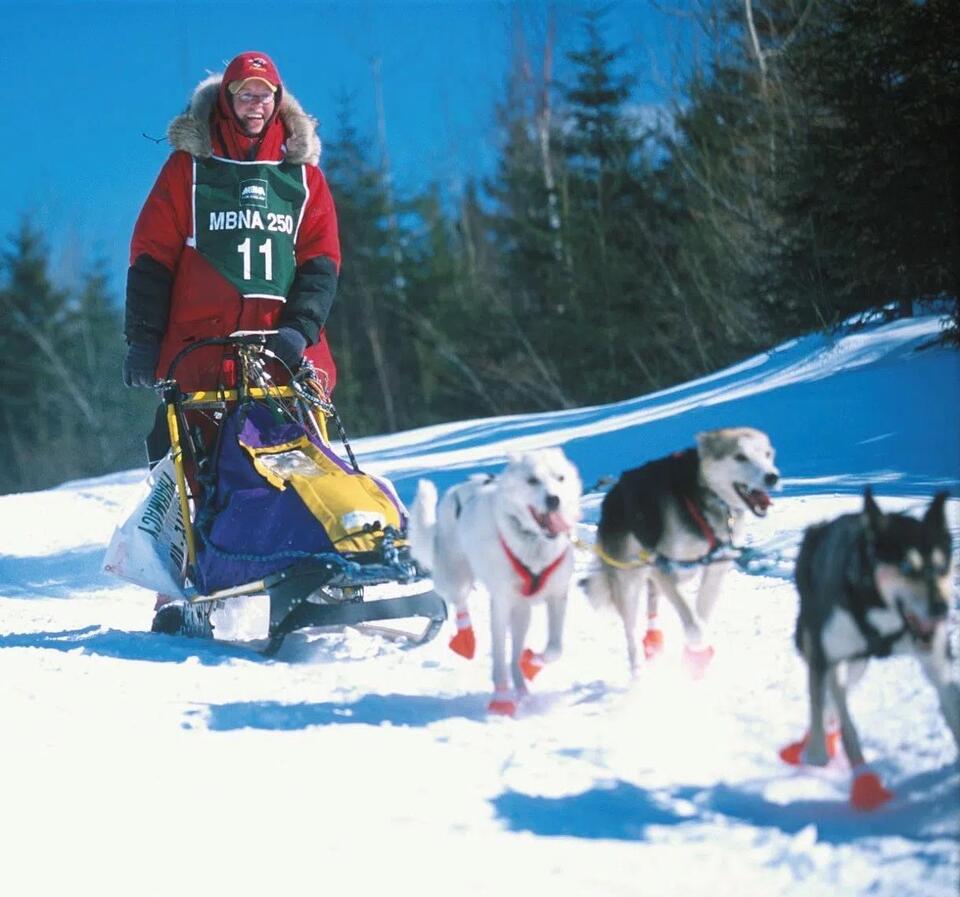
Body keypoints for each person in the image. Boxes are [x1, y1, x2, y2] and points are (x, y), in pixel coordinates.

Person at [123, 51, 341, 634]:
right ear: (226, 98)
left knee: (297, 460)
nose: (254, 104)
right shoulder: (187, 171)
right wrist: (143, 343)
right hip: (200, 355)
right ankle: (179, 586)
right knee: (184, 466)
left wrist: (299, 332)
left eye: (264, 94)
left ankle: (314, 565)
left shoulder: (302, 180)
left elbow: (321, 264)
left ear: (278, 101)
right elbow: (150, 258)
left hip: (281, 355)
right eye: (244, 93)